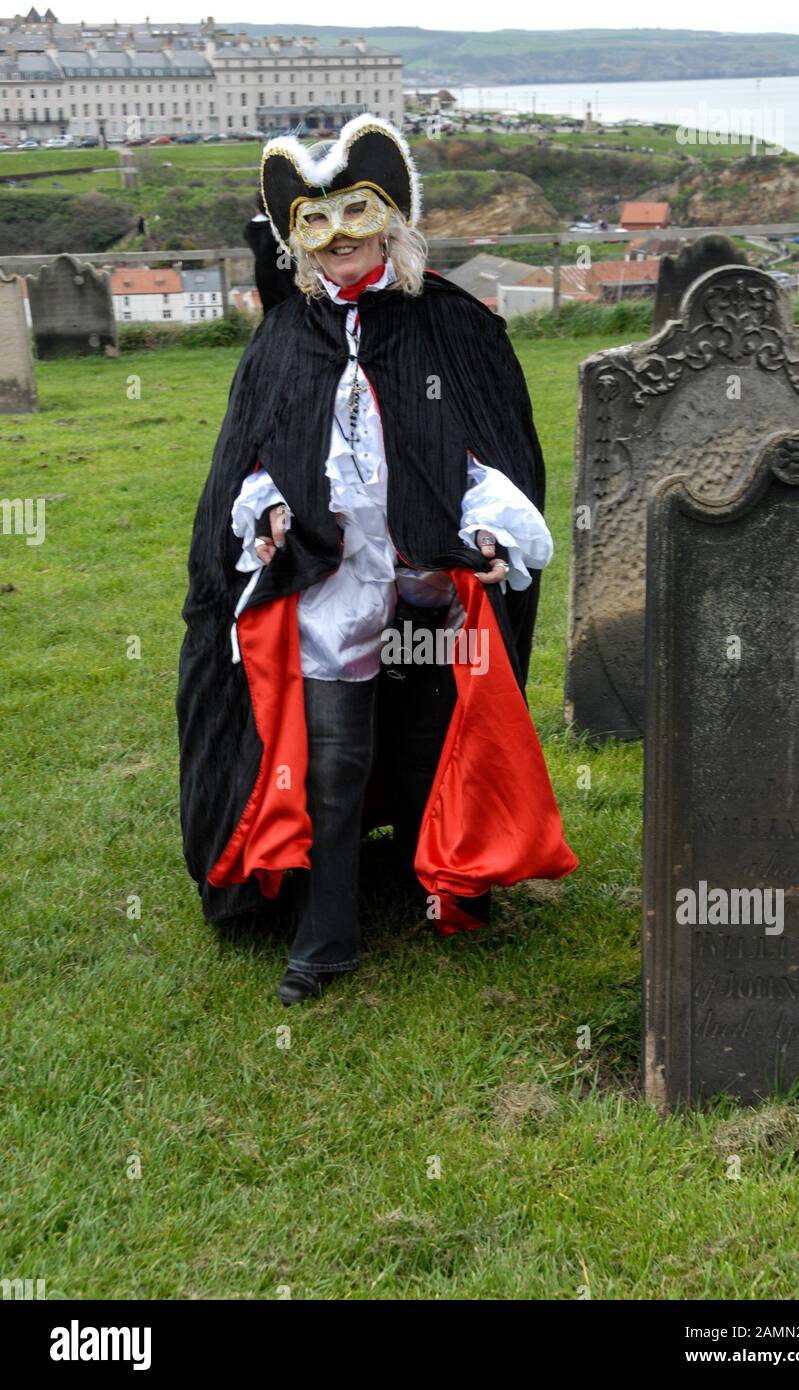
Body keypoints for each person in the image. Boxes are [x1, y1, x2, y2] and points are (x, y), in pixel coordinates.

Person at [177, 113, 577, 1006]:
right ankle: (328, 934)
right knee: (331, 752)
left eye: (357, 216)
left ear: (392, 221)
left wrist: (488, 527)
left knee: (440, 732)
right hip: (331, 580)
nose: (339, 242)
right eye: (315, 226)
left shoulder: (450, 325)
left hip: (427, 576)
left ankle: (446, 877)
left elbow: (483, 452)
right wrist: (269, 509)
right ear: (294, 243)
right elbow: (255, 456)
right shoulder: (285, 339)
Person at [242, 190, 298, 315]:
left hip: (263, 273)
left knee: (270, 311)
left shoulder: (250, 229)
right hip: (284, 270)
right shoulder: (279, 229)